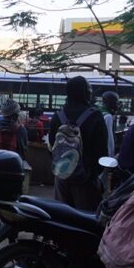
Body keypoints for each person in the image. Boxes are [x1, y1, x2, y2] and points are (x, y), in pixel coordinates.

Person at [49, 76, 108, 211]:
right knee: (85, 220)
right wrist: (92, 173)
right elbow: (101, 151)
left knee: (62, 218)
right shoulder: (95, 116)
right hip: (85, 179)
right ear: (85, 92)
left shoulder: (58, 115)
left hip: (61, 176)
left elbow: (52, 145)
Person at [99, 91, 120, 156]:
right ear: (109, 101)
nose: (117, 104)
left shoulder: (99, 112)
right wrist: (111, 156)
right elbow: (109, 139)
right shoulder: (108, 116)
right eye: (116, 101)